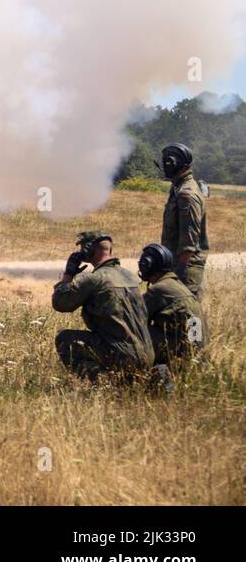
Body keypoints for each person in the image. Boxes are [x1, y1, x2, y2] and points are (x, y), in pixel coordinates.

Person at [51, 232, 154, 383]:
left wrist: (68, 275)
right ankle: (132, 380)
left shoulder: (95, 279)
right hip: (147, 354)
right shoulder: (129, 276)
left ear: (89, 250)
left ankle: (104, 382)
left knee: (64, 339)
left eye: (82, 250)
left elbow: (60, 303)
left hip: (120, 354)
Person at [138, 241, 205, 371]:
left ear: (148, 265)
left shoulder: (158, 290)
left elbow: (134, 318)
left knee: (135, 333)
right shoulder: (178, 285)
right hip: (196, 355)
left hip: (181, 355)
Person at [159, 143, 210, 300]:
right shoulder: (178, 188)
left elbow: (188, 242)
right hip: (177, 266)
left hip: (184, 270)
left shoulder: (186, 194)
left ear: (175, 164)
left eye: (167, 163)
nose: (164, 167)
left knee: (190, 320)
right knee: (176, 319)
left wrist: (178, 276)